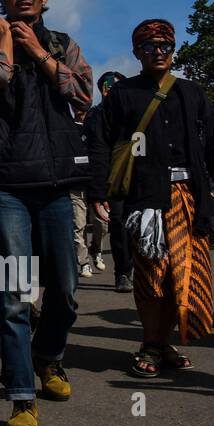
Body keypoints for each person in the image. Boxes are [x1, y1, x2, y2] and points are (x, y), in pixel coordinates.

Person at [0, 0, 93, 426]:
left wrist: (39, 52)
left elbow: (83, 95)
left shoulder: (63, 44)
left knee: (64, 291)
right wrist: (5, 40)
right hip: (6, 188)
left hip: (59, 184)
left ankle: (49, 357)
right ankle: (22, 396)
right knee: (16, 297)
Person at [88, 19, 214, 377]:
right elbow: (101, 145)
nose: (157, 53)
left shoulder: (192, 93)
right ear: (136, 53)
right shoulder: (124, 96)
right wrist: (100, 193)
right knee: (152, 278)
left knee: (183, 276)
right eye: (148, 47)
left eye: (164, 47)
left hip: (190, 198)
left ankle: (164, 342)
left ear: (173, 51)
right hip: (145, 201)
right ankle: (151, 343)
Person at [84, 71, 133, 291]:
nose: (112, 91)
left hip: (142, 178)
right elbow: (95, 154)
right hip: (113, 181)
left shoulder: (137, 109)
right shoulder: (95, 116)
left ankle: (143, 271)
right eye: (108, 87)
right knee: (119, 226)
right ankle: (123, 272)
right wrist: (97, 192)